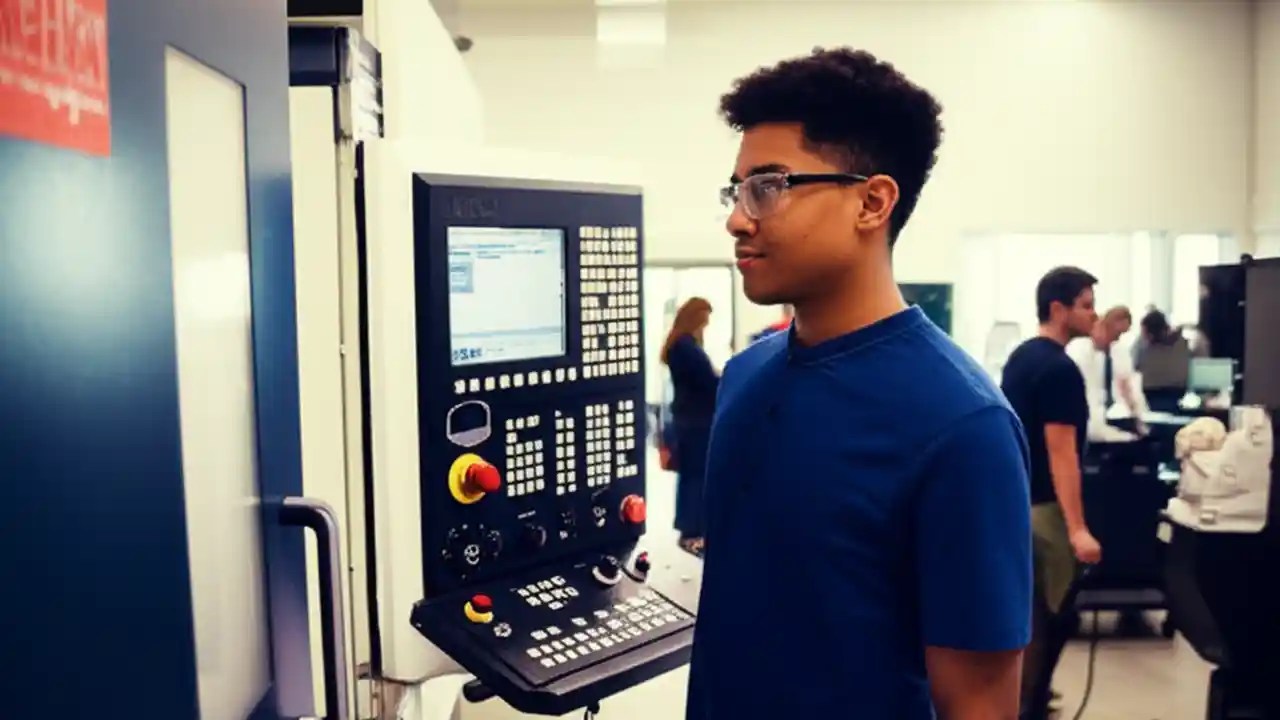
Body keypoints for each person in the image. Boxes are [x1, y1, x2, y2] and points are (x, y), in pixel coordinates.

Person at [686, 47, 1032, 720]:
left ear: (872, 202)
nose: (737, 218)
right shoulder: (745, 378)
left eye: (768, 186)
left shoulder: (963, 426)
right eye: (736, 191)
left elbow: (979, 706)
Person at [1000, 266, 1104, 720]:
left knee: (1029, 618)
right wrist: (1078, 529)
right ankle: (1031, 706)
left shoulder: (1021, 358)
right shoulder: (1059, 371)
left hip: (1016, 506)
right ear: (1058, 309)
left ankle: (1026, 702)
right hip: (1045, 513)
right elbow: (1061, 453)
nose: (1093, 313)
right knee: (1053, 618)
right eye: (1085, 304)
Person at [660, 297, 719, 556]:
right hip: (696, 422)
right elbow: (706, 380)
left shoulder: (680, 345)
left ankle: (690, 529)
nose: (706, 323)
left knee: (691, 476)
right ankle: (692, 532)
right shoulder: (686, 346)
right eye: (705, 317)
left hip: (689, 418)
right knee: (696, 476)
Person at [1066, 305, 1147, 442]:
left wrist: (1140, 418)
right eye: (1116, 333)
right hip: (1090, 420)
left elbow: (1129, 388)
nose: (1116, 339)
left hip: (1116, 416)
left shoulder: (1118, 351)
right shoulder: (1079, 350)